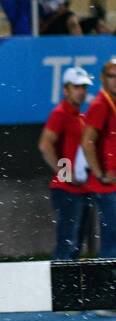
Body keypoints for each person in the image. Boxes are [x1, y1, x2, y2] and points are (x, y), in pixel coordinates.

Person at [40, 66, 93, 260]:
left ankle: (68, 287)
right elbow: (45, 145)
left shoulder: (79, 117)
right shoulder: (61, 113)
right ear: (66, 89)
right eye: (77, 87)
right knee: (67, 245)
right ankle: (62, 288)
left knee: (75, 245)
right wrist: (65, 175)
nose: (81, 92)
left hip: (80, 189)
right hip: (67, 190)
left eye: (84, 88)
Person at [81, 57, 116, 258]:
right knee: (111, 238)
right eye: (111, 76)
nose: (115, 81)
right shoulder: (100, 104)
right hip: (107, 186)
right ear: (103, 79)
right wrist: (100, 173)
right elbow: (87, 141)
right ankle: (106, 285)